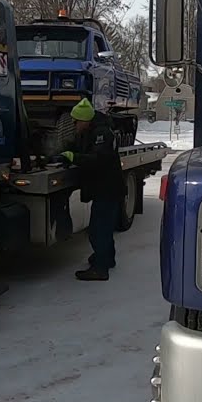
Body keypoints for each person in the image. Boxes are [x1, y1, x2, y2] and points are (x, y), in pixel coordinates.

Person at [55, 99, 123, 281]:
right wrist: (64, 155)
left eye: (76, 121)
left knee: (98, 229)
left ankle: (100, 269)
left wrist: (74, 157)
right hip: (105, 187)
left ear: (85, 120)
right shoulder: (92, 130)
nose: (74, 125)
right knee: (104, 227)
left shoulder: (101, 134)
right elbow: (81, 149)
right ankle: (107, 258)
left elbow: (97, 159)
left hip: (108, 188)